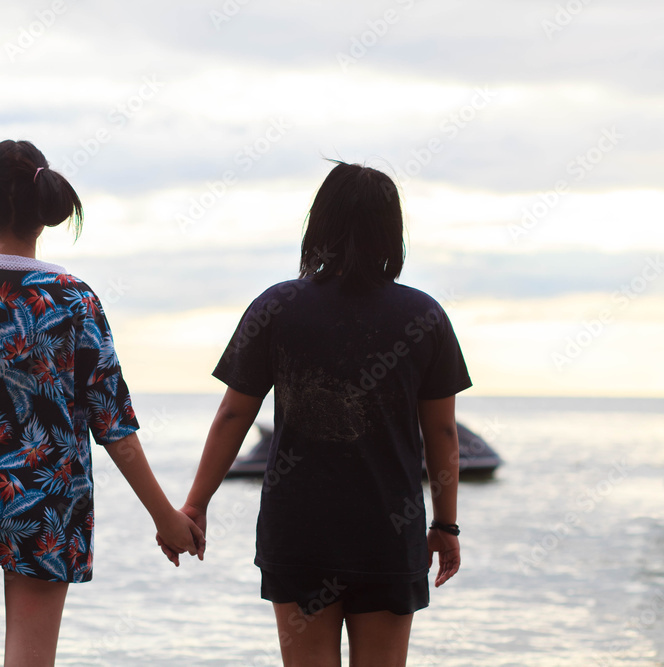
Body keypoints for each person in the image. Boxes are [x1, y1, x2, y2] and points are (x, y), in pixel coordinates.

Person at [0, 139, 203, 667]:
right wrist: (165, 518)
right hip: (47, 506)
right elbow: (114, 426)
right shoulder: (75, 299)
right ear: (43, 212)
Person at [166, 161, 471, 667]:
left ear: (320, 226)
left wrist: (195, 504)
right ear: (391, 234)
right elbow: (441, 432)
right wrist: (446, 524)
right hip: (389, 534)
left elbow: (232, 416)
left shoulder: (276, 308)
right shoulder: (424, 317)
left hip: (298, 531)